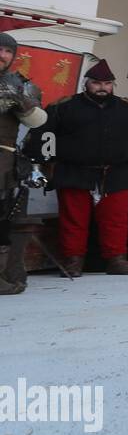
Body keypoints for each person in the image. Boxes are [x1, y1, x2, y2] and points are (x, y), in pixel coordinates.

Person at [22, 60, 128, 277]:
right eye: (97, 83)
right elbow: (41, 133)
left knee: (115, 220)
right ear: (86, 84)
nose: (102, 87)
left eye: (107, 83)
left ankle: (117, 259)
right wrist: (38, 163)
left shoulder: (127, 108)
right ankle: (73, 261)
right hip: (73, 172)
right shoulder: (64, 106)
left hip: (114, 174)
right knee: (73, 221)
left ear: (113, 85)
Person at [0, 33, 46, 295]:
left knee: (5, 221)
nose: (2, 55)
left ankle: (4, 275)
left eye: (7, 51)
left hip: (4, 159)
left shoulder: (21, 86)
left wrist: (20, 100)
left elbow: (38, 121)